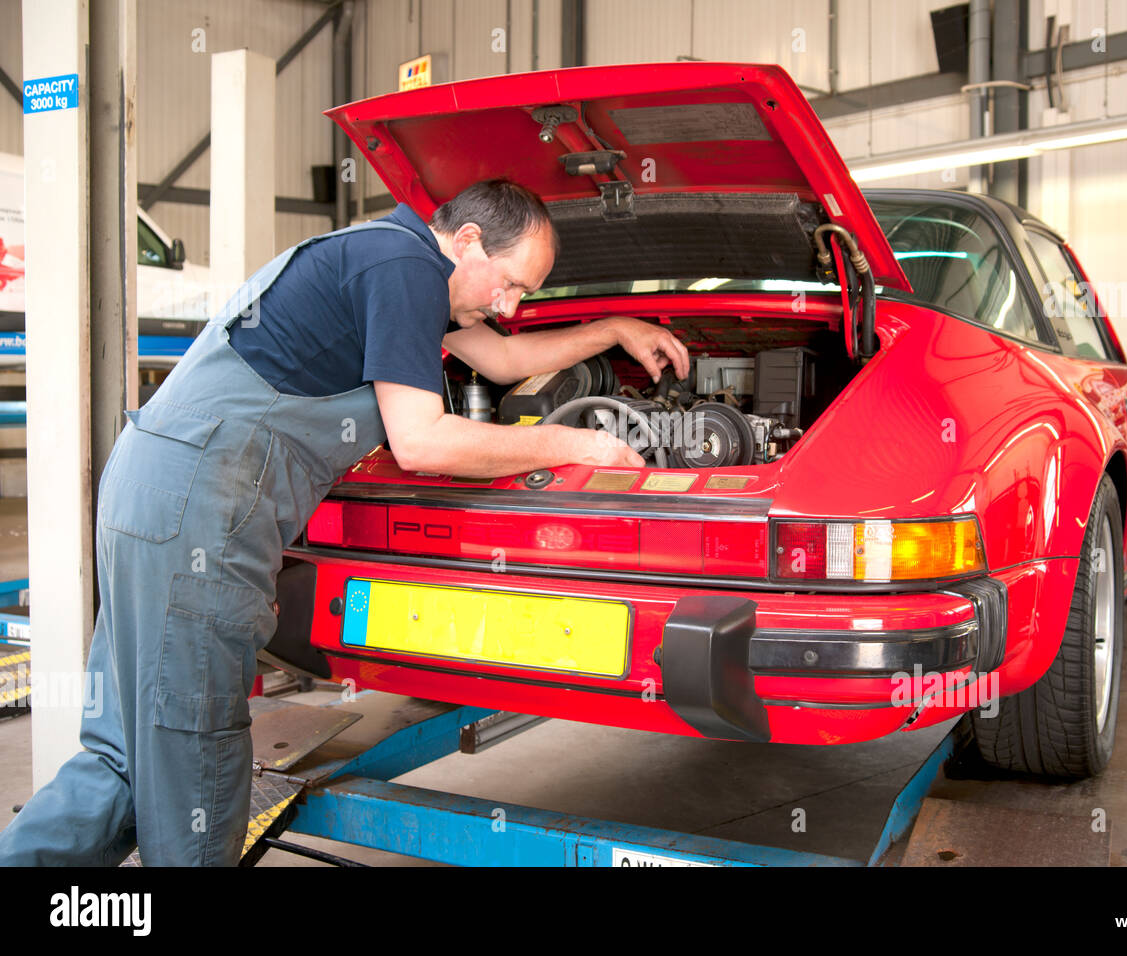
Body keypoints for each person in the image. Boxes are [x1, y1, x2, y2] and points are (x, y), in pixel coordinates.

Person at [0, 178, 689, 866]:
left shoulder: (384, 255)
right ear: (469, 240)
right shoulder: (407, 269)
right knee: (196, 755)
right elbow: (422, 444)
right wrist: (577, 445)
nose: (509, 307)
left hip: (148, 494)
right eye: (509, 285)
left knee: (126, 756)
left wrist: (615, 330)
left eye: (523, 297)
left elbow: (506, 359)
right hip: (199, 514)